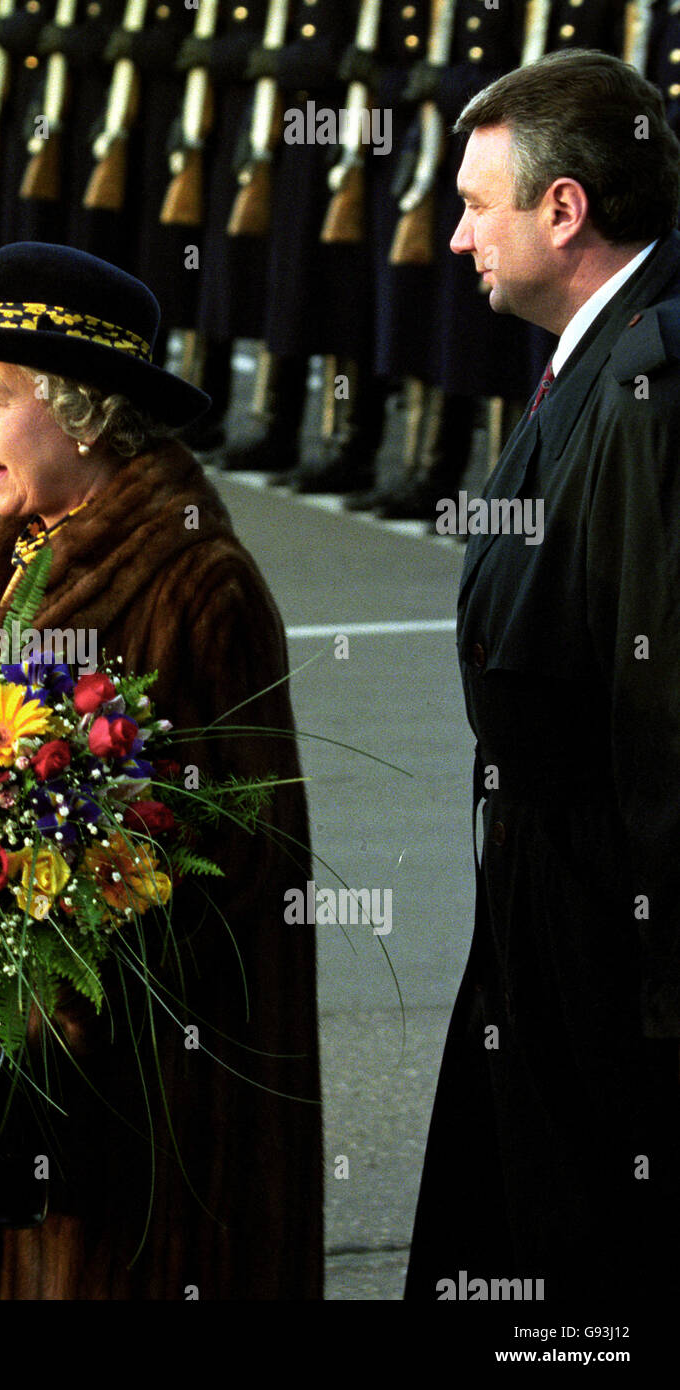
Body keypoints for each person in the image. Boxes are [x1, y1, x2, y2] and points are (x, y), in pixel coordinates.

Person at [0, 242, 322, 1300]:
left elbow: (248, 855)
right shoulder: (2, 547)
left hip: (116, 1108)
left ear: (80, 408)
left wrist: (60, 919)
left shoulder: (196, 582)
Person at [405, 48, 680, 1300]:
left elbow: (658, 708)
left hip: (603, 940)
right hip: (543, 900)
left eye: (475, 203)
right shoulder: (601, 348)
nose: (454, 234)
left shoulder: (644, 386)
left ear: (561, 210)